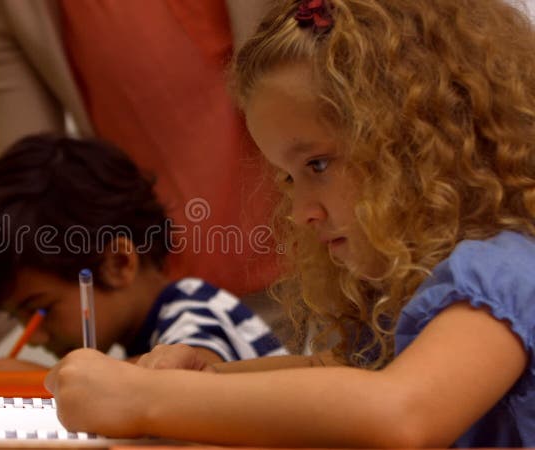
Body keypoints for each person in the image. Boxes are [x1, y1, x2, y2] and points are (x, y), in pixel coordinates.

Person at [43, 0, 535, 447]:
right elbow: (347, 373)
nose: (300, 212)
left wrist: (145, 400)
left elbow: (400, 410)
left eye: (317, 165)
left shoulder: (502, 273)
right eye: (287, 178)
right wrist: (211, 378)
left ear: (419, 144)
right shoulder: (407, 287)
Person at [0, 0, 288, 373]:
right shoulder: (160, 322)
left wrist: (37, 386)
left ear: (121, 262)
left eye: (35, 315)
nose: (34, 336)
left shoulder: (194, 323)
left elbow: (181, 383)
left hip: (322, 291)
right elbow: (21, 231)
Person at [0, 133, 284, 366]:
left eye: (40, 311)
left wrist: (43, 384)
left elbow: (192, 378)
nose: (35, 339)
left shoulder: (197, 312)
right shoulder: (148, 336)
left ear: (119, 263)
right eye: (17, 318)